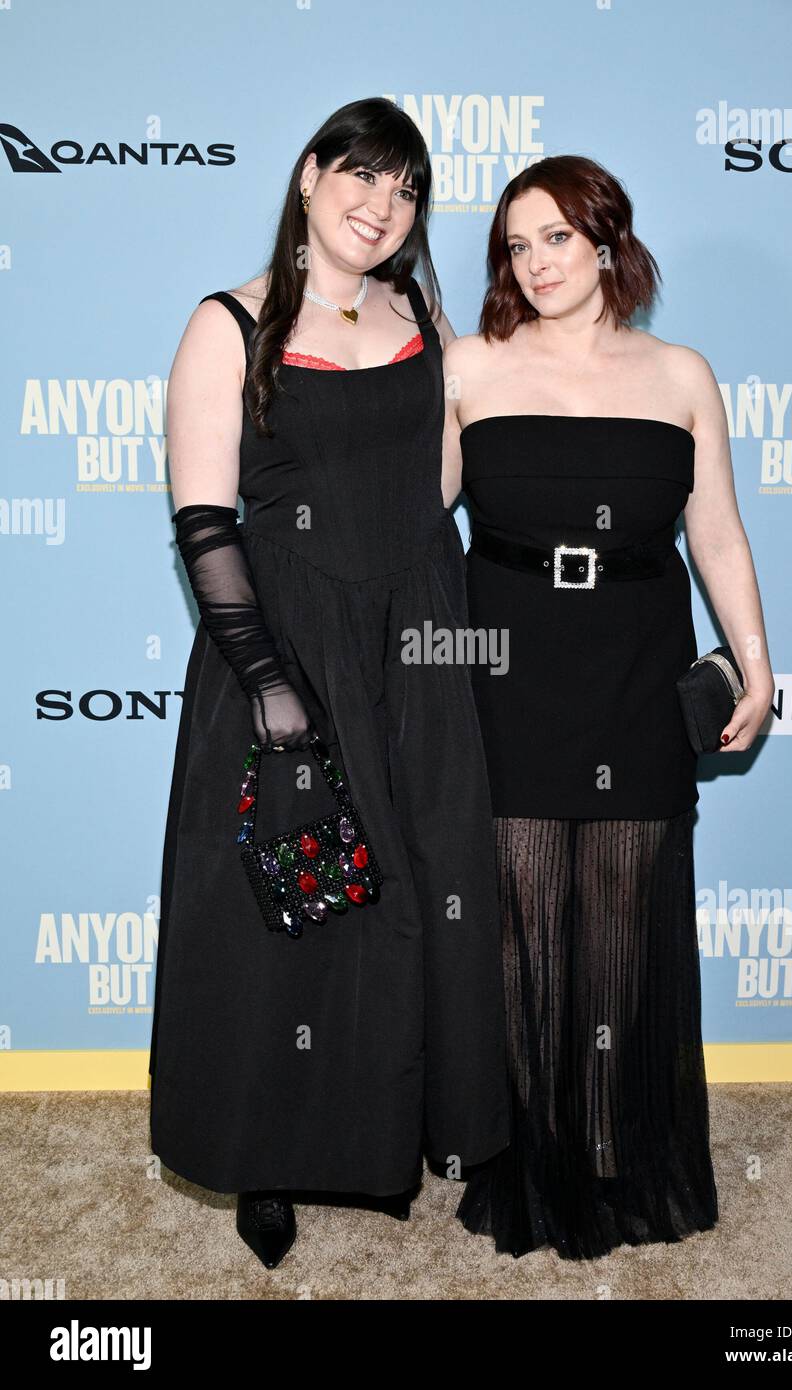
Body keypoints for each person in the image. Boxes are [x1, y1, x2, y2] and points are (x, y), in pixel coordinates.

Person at [148, 97, 509, 1269]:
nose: (380, 204)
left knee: (417, 881)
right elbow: (205, 517)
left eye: (405, 189)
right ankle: (267, 1155)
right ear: (308, 177)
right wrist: (267, 679)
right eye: (360, 174)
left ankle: (397, 1128)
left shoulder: (420, 314)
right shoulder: (231, 322)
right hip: (286, 647)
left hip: (415, 640)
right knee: (286, 903)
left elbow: (436, 479)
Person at [443, 155, 774, 1259]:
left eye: (554, 237)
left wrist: (755, 661)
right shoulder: (468, 367)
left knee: (625, 918)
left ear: (604, 239)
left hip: (636, 657)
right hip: (510, 666)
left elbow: (714, 530)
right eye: (514, 244)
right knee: (526, 916)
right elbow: (400, 520)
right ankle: (535, 1160)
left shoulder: (681, 372)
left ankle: (612, 1149)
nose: (533, 261)